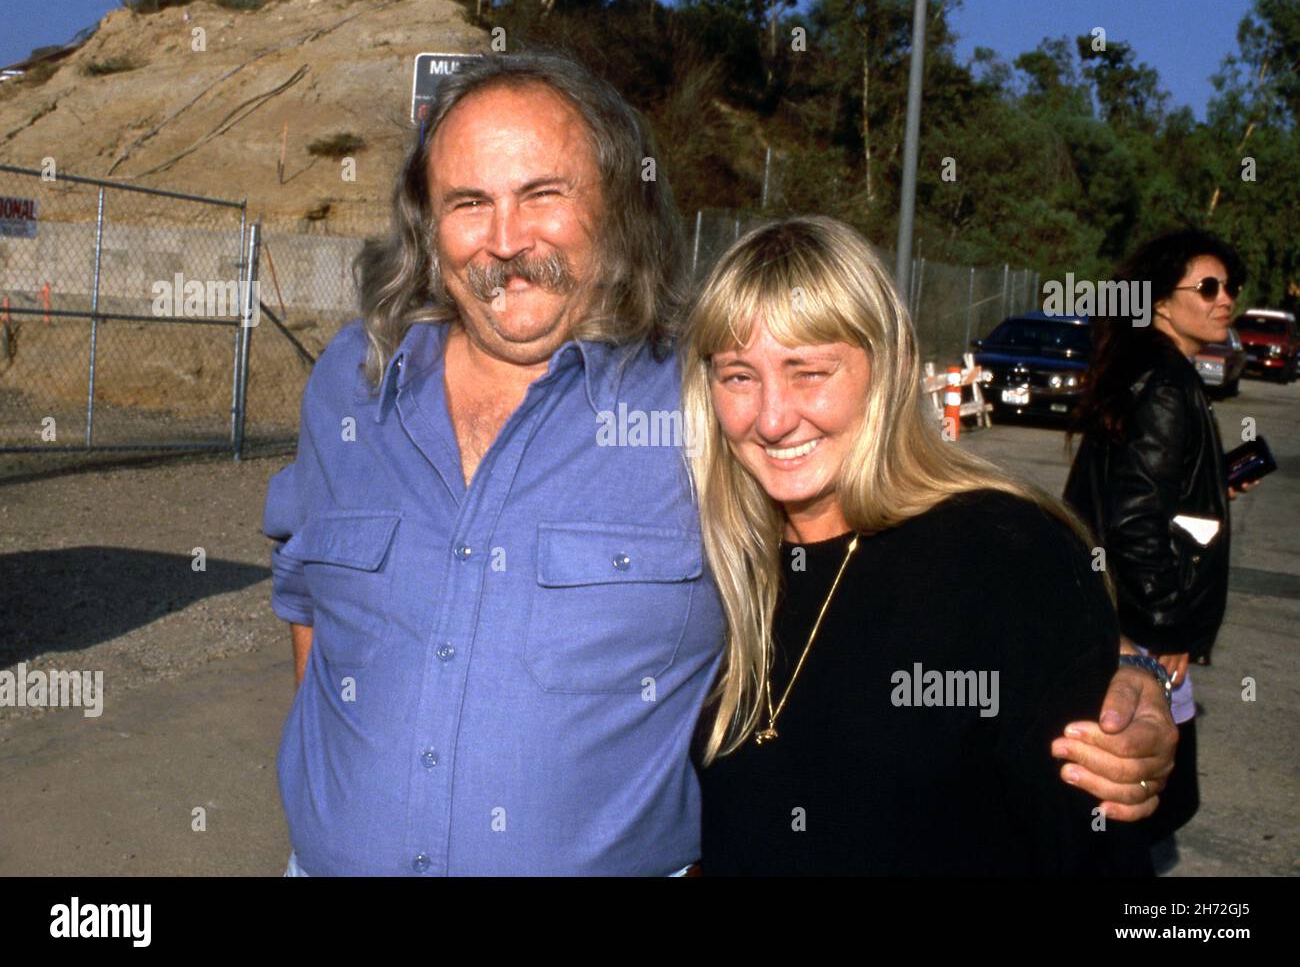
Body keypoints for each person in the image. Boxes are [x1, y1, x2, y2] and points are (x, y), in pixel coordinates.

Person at [263, 52, 1176, 876]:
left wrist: (1131, 676)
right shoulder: (352, 382)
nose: (505, 240)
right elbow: (311, 608)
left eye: (542, 194)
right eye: (469, 203)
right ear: (428, 225)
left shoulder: (700, 402)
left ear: (616, 209)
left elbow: (897, 545)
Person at [681, 216, 1157, 874]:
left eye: (809, 371)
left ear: (889, 369)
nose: (771, 417)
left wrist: (1141, 675)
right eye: (738, 376)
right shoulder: (714, 555)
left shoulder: (1010, 555)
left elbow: (1087, 852)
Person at [1064, 229, 1248, 870]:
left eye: (1230, 287)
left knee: (1140, 794)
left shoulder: (1144, 370)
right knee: (1152, 798)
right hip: (1141, 624)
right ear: (1163, 304)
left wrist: (1215, 477)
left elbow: (1138, 488)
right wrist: (1165, 624)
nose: (1225, 299)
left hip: (1116, 606)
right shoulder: (1167, 382)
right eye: (1207, 287)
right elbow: (1136, 521)